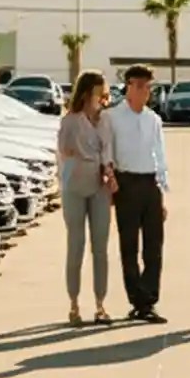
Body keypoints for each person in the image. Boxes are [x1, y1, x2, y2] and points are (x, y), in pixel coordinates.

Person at [108, 64, 169, 324]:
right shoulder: (112, 117)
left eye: (148, 87)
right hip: (126, 183)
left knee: (154, 246)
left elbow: (160, 156)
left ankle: (149, 299)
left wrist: (162, 193)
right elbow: (108, 153)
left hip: (150, 183)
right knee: (129, 245)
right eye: (140, 86)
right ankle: (137, 300)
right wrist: (111, 180)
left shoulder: (153, 119)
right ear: (129, 87)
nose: (145, 91)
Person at [57, 70, 118, 327]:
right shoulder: (71, 120)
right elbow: (65, 151)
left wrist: (109, 171)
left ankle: (100, 304)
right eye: (99, 91)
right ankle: (73, 303)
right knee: (76, 245)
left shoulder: (106, 120)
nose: (103, 97)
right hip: (74, 185)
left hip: (99, 186)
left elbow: (109, 150)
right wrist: (85, 155)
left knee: (101, 247)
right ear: (87, 92)